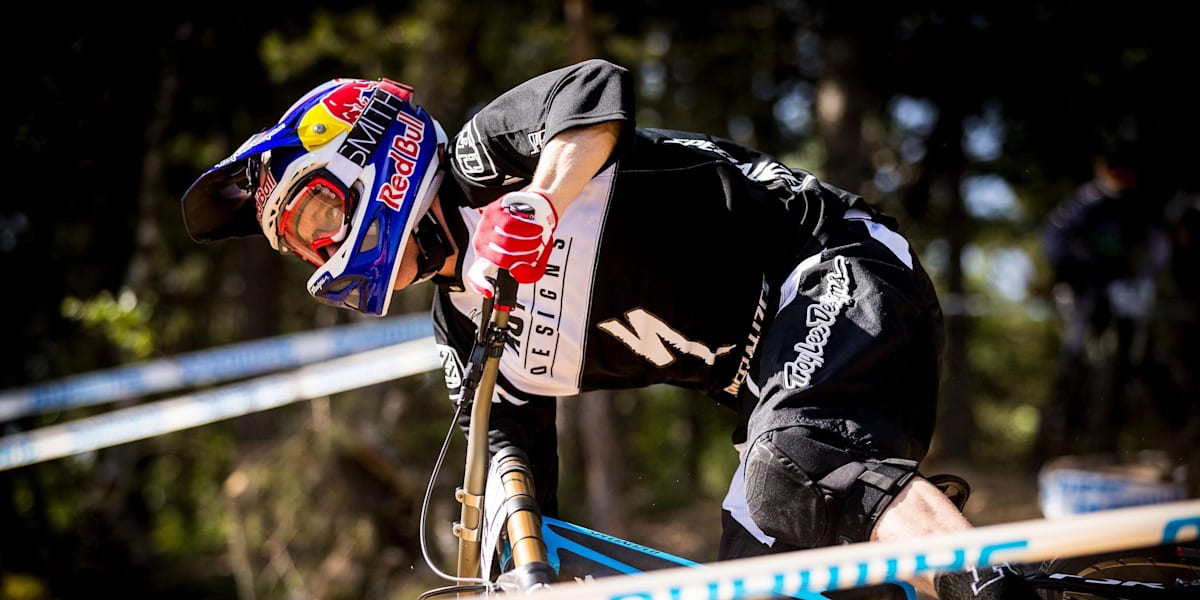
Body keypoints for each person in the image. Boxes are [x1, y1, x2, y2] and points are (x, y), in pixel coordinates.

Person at [180, 60, 1036, 599]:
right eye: (299, 245)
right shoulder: (464, 325)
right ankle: (953, 581)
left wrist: (539, 201)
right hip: (773, 378)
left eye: (316, 214)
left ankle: (999, 589)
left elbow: (593, 90)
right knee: (762, 571)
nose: (321, 251)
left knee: (794, 467)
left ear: (372, 152)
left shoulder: (487, 155)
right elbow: (509, 451)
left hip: (835, 262)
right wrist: (519, 571)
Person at [1037, 135, 1175, 459]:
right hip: (1086, 299)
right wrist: (1068, 282)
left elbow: (1158, 246)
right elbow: (1054, 241)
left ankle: (1110, 446)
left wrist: (1145, 282)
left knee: (1134, 367)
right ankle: (1057, 446)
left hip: (1123, 298)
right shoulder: (1084, 204)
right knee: (1075, 365)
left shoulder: (1137, 206)